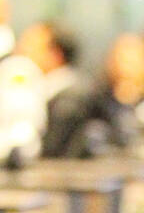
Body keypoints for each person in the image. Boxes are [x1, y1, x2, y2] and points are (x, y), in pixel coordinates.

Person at [16, 21, 93, 157]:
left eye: (30, 45)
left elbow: (50, 152)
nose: (19, 51)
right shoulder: (41, 91)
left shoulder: (70, 100)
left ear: (55, 54)